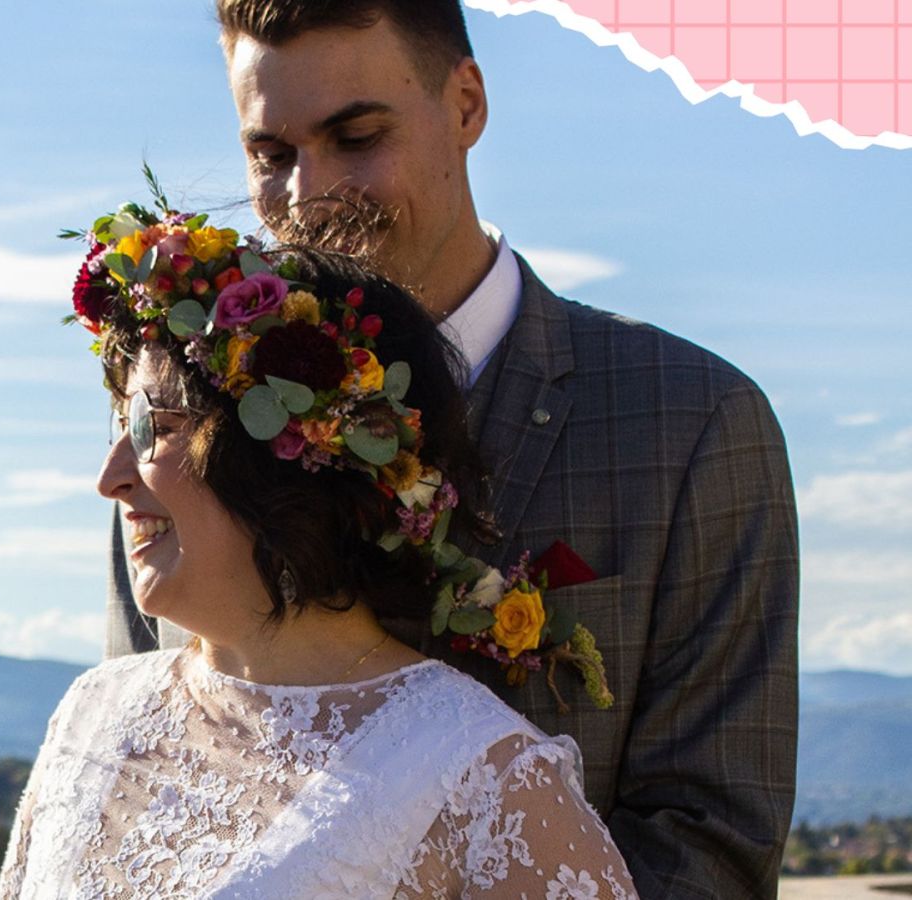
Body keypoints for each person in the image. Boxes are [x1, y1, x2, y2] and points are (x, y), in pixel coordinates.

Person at [105, 3, 800, 897]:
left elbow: (710, 843)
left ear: (467, 103)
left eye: (356, 136)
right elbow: (137, 784)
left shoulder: (695, 423)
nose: (307, 197)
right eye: (270, 156)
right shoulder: (178, 425)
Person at [0, 215, 638, 897]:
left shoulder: (482, 782)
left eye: (153, 426)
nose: (110, 478)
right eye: (117, 425)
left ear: (292, 453)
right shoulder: (92, 713)